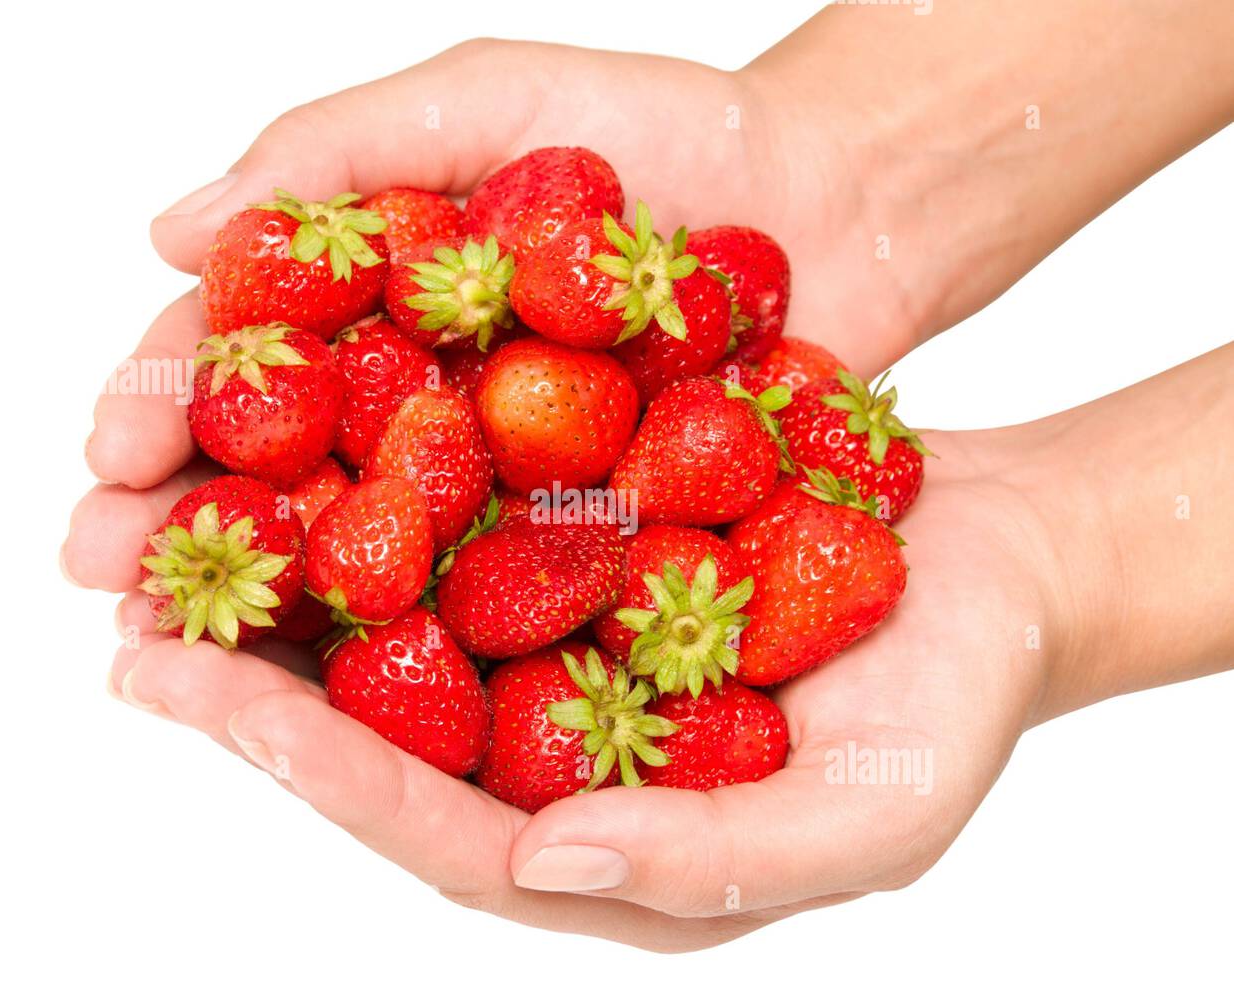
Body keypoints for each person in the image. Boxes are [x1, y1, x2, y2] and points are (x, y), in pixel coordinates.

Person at [61, 2, 1234, 951]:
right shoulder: (470, 423)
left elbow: (594, 502)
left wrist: (1066, 553)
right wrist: (849, 156)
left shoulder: (621, 450)